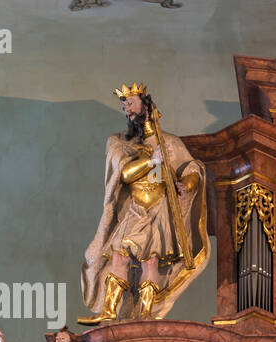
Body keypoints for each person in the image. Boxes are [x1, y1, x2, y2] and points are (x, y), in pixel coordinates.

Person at [79, 83, 209, 324]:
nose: (126, 109)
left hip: (158, 207)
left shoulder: (169, 141)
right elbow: (125, 174)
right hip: (134, 207)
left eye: (130, 103)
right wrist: (152, 160)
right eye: (123, 105)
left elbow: (190, 168)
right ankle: (109, 309)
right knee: (119, 256)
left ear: (146, 105)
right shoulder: (120, 142)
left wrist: (187, 184)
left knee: (152, 261)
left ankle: (147, 313)